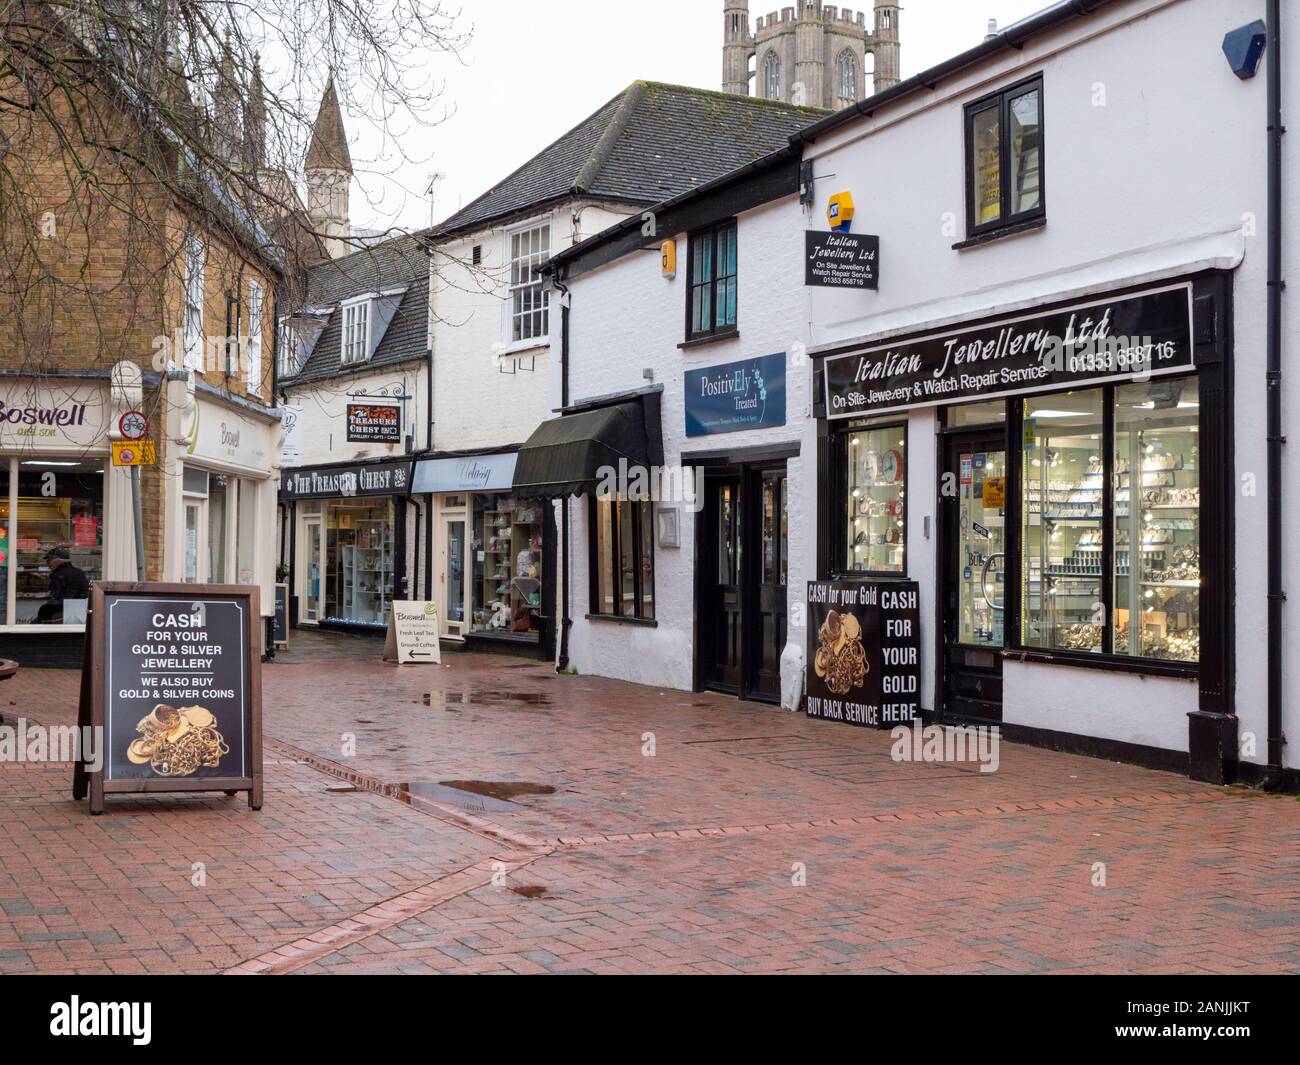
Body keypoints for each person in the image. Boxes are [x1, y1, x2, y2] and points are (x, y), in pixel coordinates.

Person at [35, 546, 89, 623]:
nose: (48, 563)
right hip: (79, 611)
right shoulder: (78, 572)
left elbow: (59, 598)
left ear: (58, 560)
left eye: (49, 560)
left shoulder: (60, 574)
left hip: (64, 612)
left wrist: (45, 608)